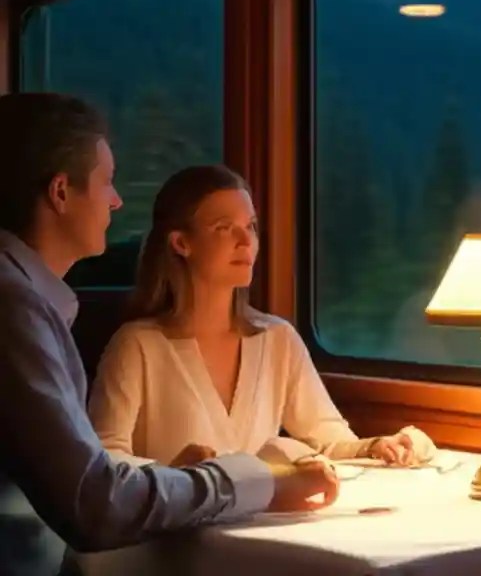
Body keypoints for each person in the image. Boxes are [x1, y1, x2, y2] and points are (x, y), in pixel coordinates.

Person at [0, 92, 339, 575]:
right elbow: (95, 502)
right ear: (59, 193)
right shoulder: (14, 310)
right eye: (107, 182)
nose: (116, 200)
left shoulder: (31, 305)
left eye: (252, 227)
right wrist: (256, 481)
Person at [88, 164, 432, 468]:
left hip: (254, 529)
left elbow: (326, 439)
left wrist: (376, 446)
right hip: (171, 534)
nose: (245, 241)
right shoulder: (137, 346)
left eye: (250, 226)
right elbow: (104, 460)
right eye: (224, 227)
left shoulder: (277, 339)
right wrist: (174, 476)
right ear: (181, 243)